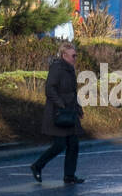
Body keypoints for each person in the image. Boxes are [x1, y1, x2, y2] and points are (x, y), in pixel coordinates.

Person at [31, 40, 85, 184]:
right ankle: (37, 166)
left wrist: (78, 107)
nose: (75, 58)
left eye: (76, 55)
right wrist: (61, 105)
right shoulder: (57, 68)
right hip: (59, 112)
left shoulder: (70, 69)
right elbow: (50, 89)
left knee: (73, 144)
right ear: (64, 55)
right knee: (59, 145)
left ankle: (69, 176)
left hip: (70, 111)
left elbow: (73, 92)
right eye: (73, 56)